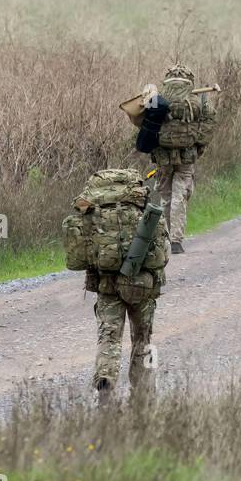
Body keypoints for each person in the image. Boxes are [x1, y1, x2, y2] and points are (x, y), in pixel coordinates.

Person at [63, 167, 170, 407]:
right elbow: (162, 255)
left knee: (108, 337)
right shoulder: (145, 212)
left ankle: (105, 390)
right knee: (144, 339)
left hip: (106, 285)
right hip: (143, 287)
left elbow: (78, 258)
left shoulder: (93, 213)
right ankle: (145, 396)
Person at [149, 64, 215, 253]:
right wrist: (199, 146)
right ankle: (176, 241)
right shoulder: (198, 99)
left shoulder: (157, 98)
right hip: (188, 154)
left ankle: (165, 239)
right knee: (180, 194)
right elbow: (208, 123)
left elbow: (145, 122)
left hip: (162, 154)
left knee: (165, 196)